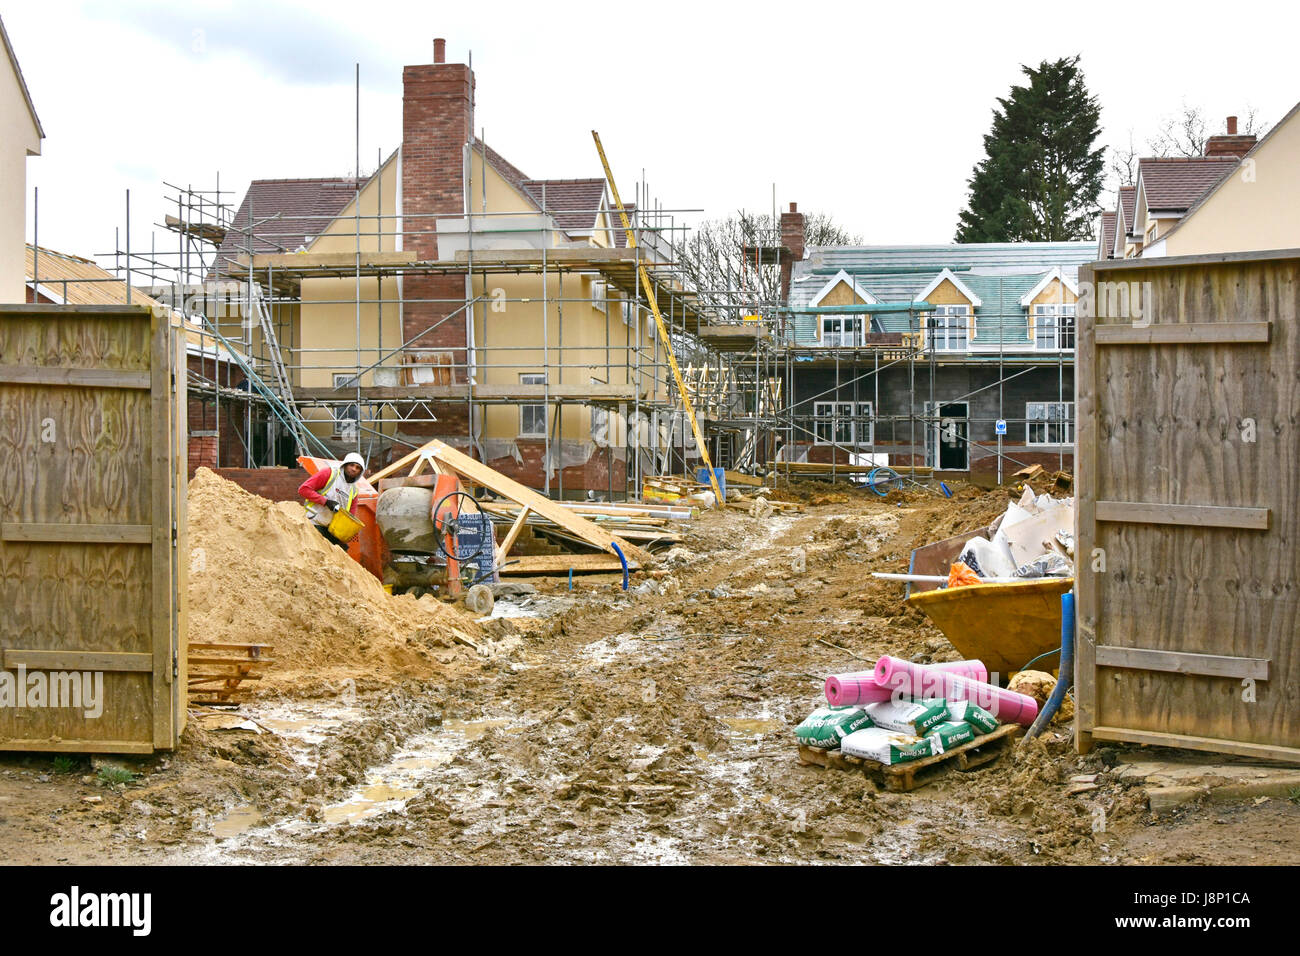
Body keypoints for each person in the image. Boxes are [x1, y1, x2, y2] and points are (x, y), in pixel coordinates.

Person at [299, 452, 366, 549]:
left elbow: (350, 518)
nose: (354, 469)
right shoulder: (329, 474)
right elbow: (303, 489)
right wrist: (326, 502)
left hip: (332, 531)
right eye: (351, 465)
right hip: (313, 523)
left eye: (358, 468)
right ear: (345, 464)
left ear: (360, 472)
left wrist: (342, 537)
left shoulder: (354, 491)